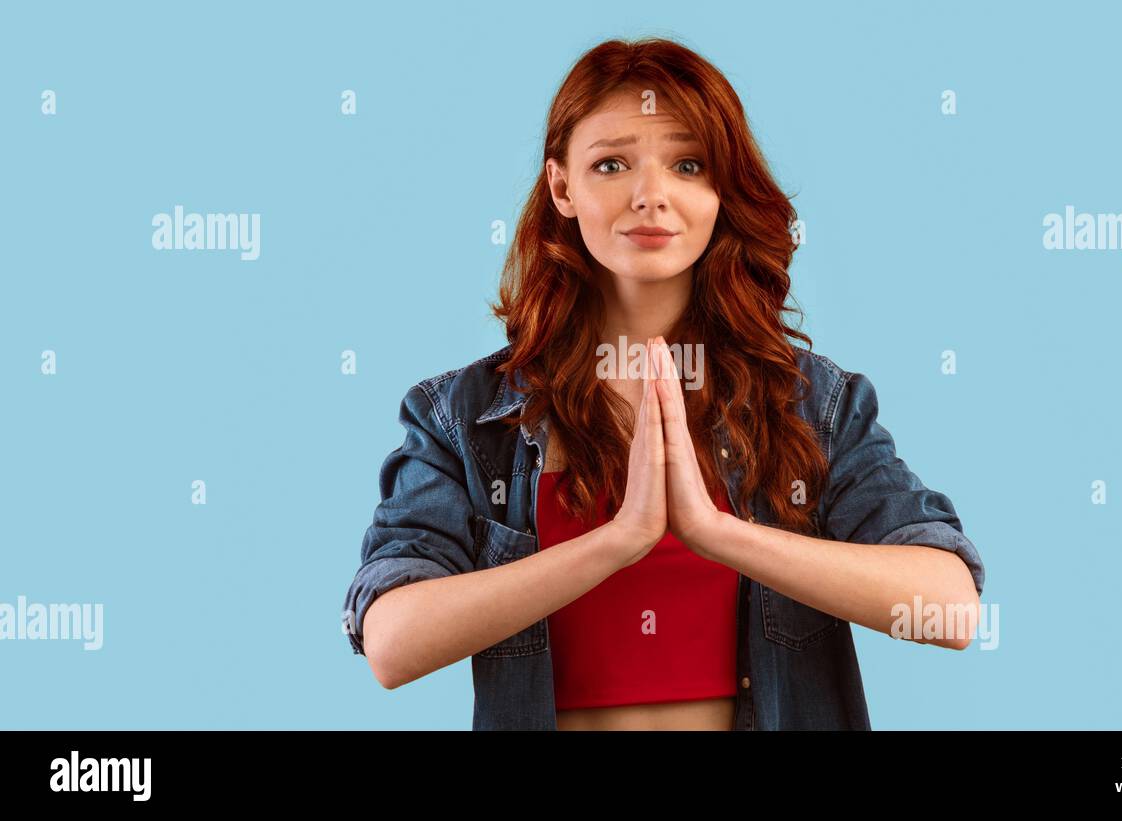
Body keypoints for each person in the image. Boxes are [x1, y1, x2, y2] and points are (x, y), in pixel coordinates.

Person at [342, 37, 986, 730]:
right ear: (562, 186)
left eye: (687, 164)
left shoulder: (812, 404)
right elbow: (391, 641)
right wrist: (617, 540)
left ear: (721, 190)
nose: (651, 196)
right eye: (612, 164)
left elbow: (948, 608)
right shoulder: (464, 417)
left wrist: (716, 532)